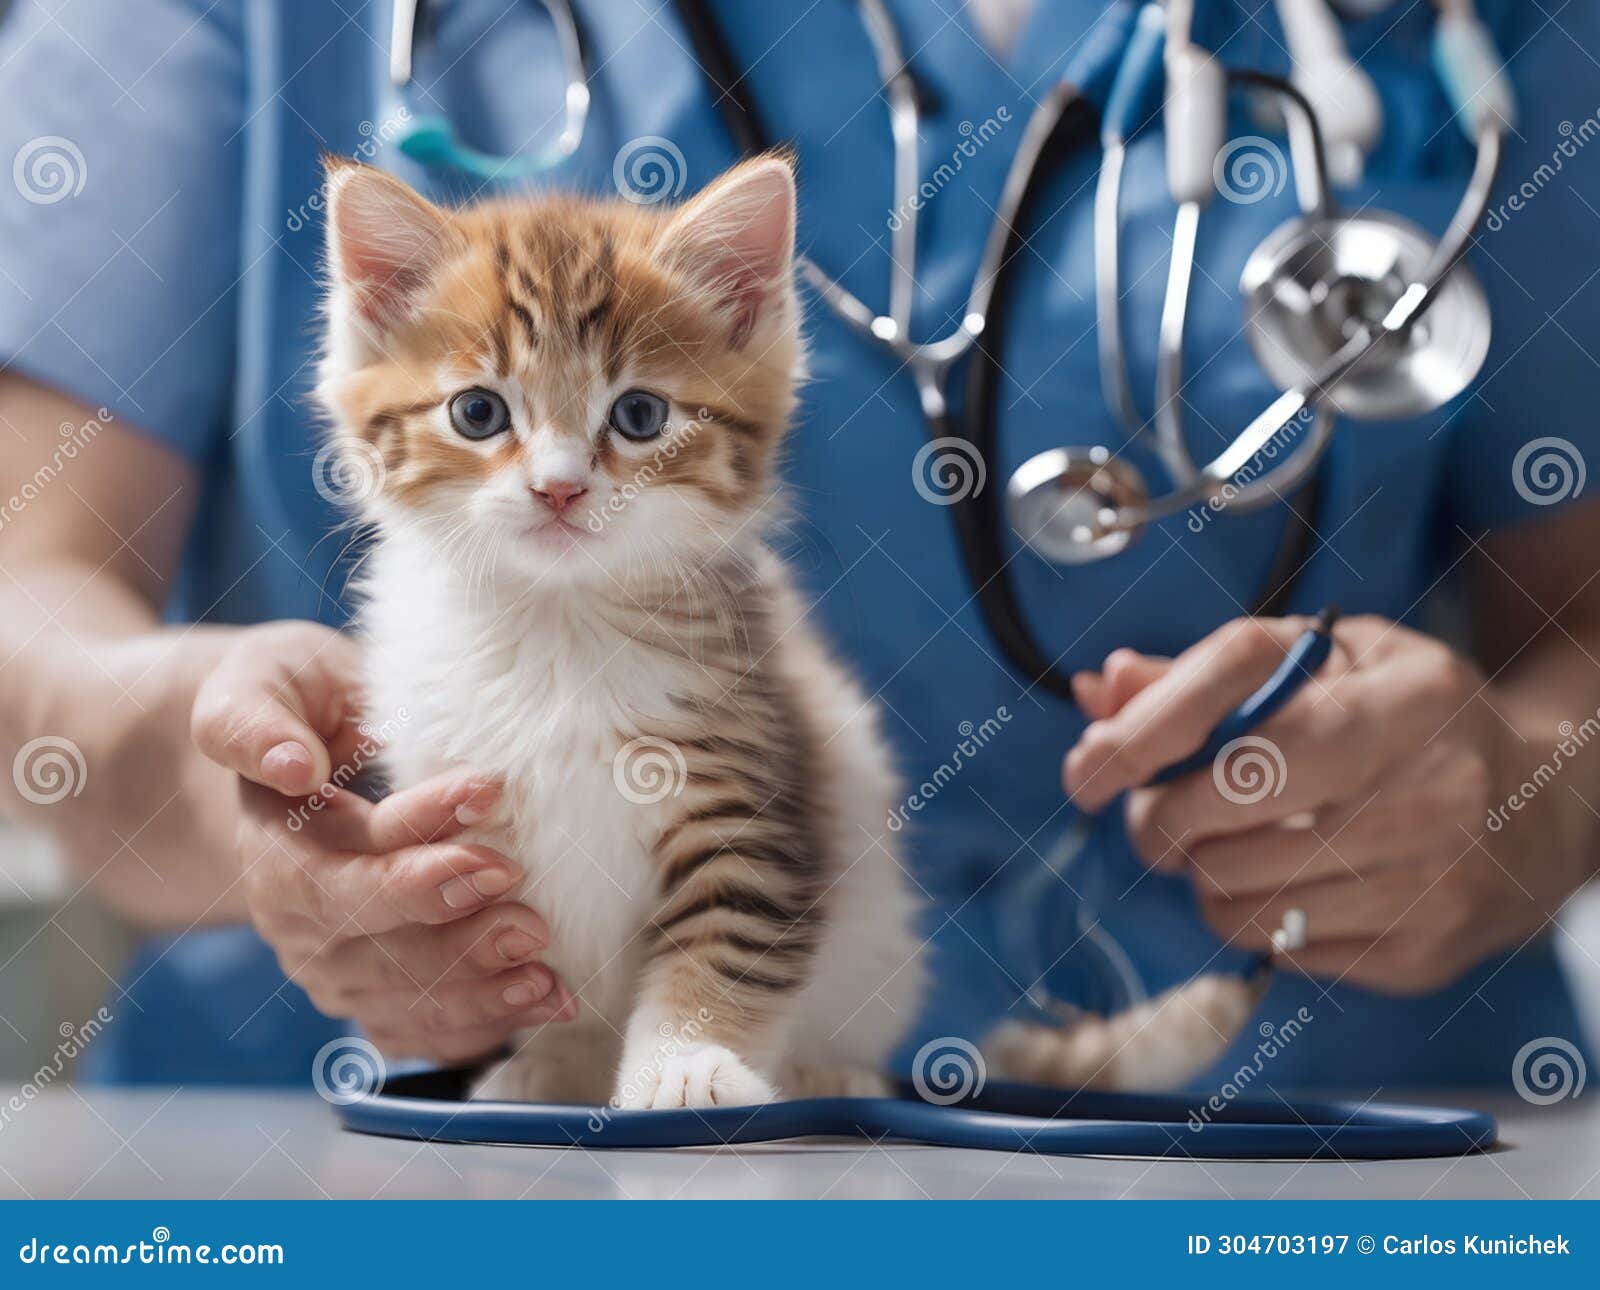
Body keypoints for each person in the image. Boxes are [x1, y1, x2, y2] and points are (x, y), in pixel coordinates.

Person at [0, 0, 1595, 1088]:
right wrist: (224, 775)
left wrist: (1532, 787)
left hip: (1298, 1140)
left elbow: (1576, 619)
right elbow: (27, 596)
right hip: (367, 1155)